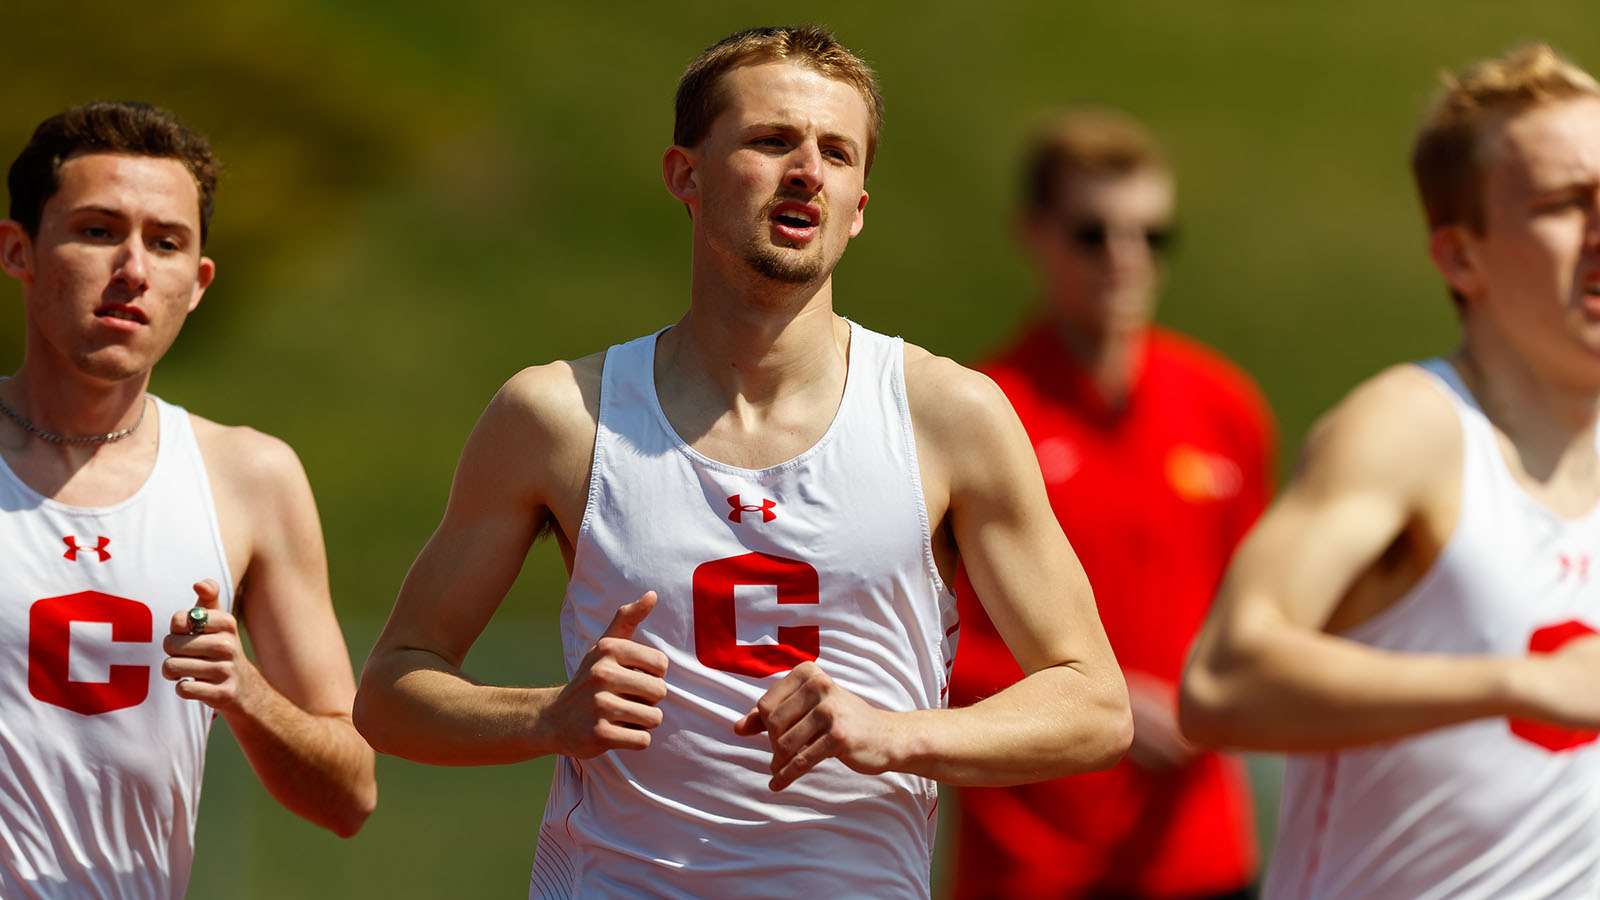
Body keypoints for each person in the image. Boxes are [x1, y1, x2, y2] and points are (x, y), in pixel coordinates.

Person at [354, 24, 1132, 900]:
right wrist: (548, 714)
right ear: (685, 175)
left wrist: (898, 733)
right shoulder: (560, 415)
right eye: (771, 141)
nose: (807, 171)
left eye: (836, 152)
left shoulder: (949, 415)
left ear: (859, 207)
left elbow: (1094, 706)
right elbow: (389, 693)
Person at [1180, 42, 1600, 899]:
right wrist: (1518, 684)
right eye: (1564, 203)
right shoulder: (1412, 428)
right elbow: (1223, 680)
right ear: (1461, 258)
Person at [0, 102, 376, 899]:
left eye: (166, 243)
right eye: (98, 231)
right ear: (17, 250)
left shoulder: (250, 477)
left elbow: (350, 796)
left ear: (198, 283)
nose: (133, 268)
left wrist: (246, 692)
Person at [946, 109, 1272, 900]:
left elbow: (1256, 606)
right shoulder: (978, 416)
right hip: (1032, 864)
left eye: (1152, 236)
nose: (1127, 260)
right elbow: (922, 644)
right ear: (1034, 234)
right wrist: (1098, 695)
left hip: (1195, 851)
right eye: (1094, 235)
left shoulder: (1222, 406)